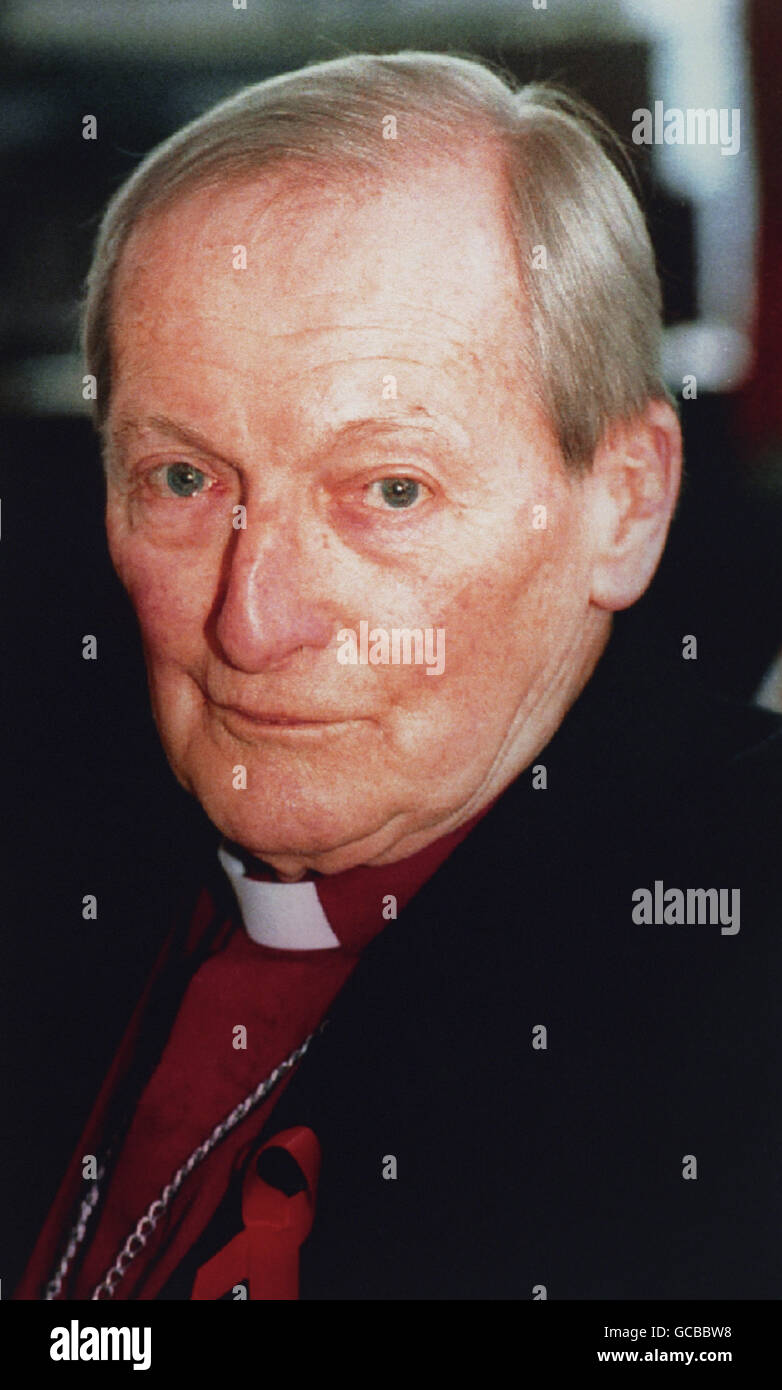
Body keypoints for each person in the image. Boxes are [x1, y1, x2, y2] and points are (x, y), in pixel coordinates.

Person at [16, 50, 782, 1301]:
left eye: (388, 490)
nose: (253, 624)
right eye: (183, 480)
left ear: (624, 504)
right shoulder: (54, 839)